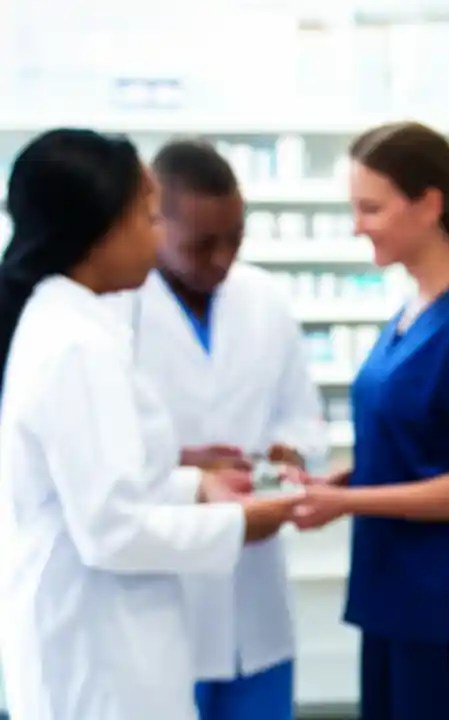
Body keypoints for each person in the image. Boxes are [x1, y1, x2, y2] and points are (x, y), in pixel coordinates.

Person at [0, 129, 300, 720]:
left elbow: (107, 486)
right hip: (99, 655)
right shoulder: (76, 344)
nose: (156, 236)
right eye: (146, 219)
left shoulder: (72, 322)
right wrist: (237, 522)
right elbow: (111, 529)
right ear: (99, 230)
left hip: (109, 639)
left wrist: (197, 486)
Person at [290, 121, 449, 720]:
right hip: (391, 596)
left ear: (429, 205)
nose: (356, 224)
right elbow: (411, 445)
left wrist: (349, 504)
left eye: (371, 207)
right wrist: (341, 482)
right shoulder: (411, 311)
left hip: (440, 608)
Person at [115, 138, 328, 720]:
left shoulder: (265, 300)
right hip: (166, 590)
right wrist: (191, 470)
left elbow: (304, 415)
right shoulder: (117, 309)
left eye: (235, 239)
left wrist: (287, 454)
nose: (222, 260)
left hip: (256, 589)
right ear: (156, 222)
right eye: (202, 244)